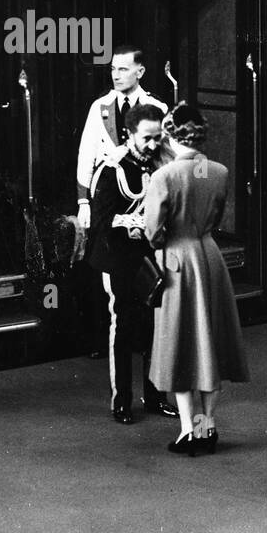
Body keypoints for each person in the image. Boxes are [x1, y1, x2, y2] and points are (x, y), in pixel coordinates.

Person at [144, 103, 249, 454]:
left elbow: (153, 231)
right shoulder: (214, 170)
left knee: (182, 347)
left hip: (178, 261)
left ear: (171, 135)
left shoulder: (164, 176)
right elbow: (216, 214)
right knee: (211, 344)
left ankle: (190, 430)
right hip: (210, 257)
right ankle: (208, 425)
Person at [86, 102, 177, 422]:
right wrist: (136, 223)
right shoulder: (111, 168)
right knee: (122, 329)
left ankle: (155, 397)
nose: (153, 145)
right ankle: (121, 400)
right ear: (129, 134)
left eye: (157, 137)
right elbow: (99, 221)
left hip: (151, 256)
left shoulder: (161, 160)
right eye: (146, 139)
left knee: (156, 329)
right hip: (118, 257)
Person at [76, 46, 168, 232]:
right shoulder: (100, 106)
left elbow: (165, 158)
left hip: (144, 193)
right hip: (107, 194)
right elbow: (86, 154)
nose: (115, 76)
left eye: (123, 69)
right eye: (113, 69)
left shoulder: (156, 107)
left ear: (140, 72)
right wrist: (83, 201)